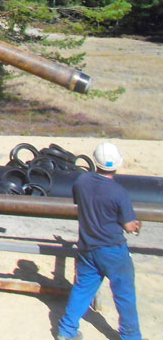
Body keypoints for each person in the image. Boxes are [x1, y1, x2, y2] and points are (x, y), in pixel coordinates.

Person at [56, 142, 143, 340]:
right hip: (113, 250)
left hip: (87, 247)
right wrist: (137, 225)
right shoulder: (119, 192)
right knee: (124, 294)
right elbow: (129, 226)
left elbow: (82, 203)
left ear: (95, 162)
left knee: (82, 289)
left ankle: (66, 330)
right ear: (117, 165)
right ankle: (131, 336)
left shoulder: (81, 181)